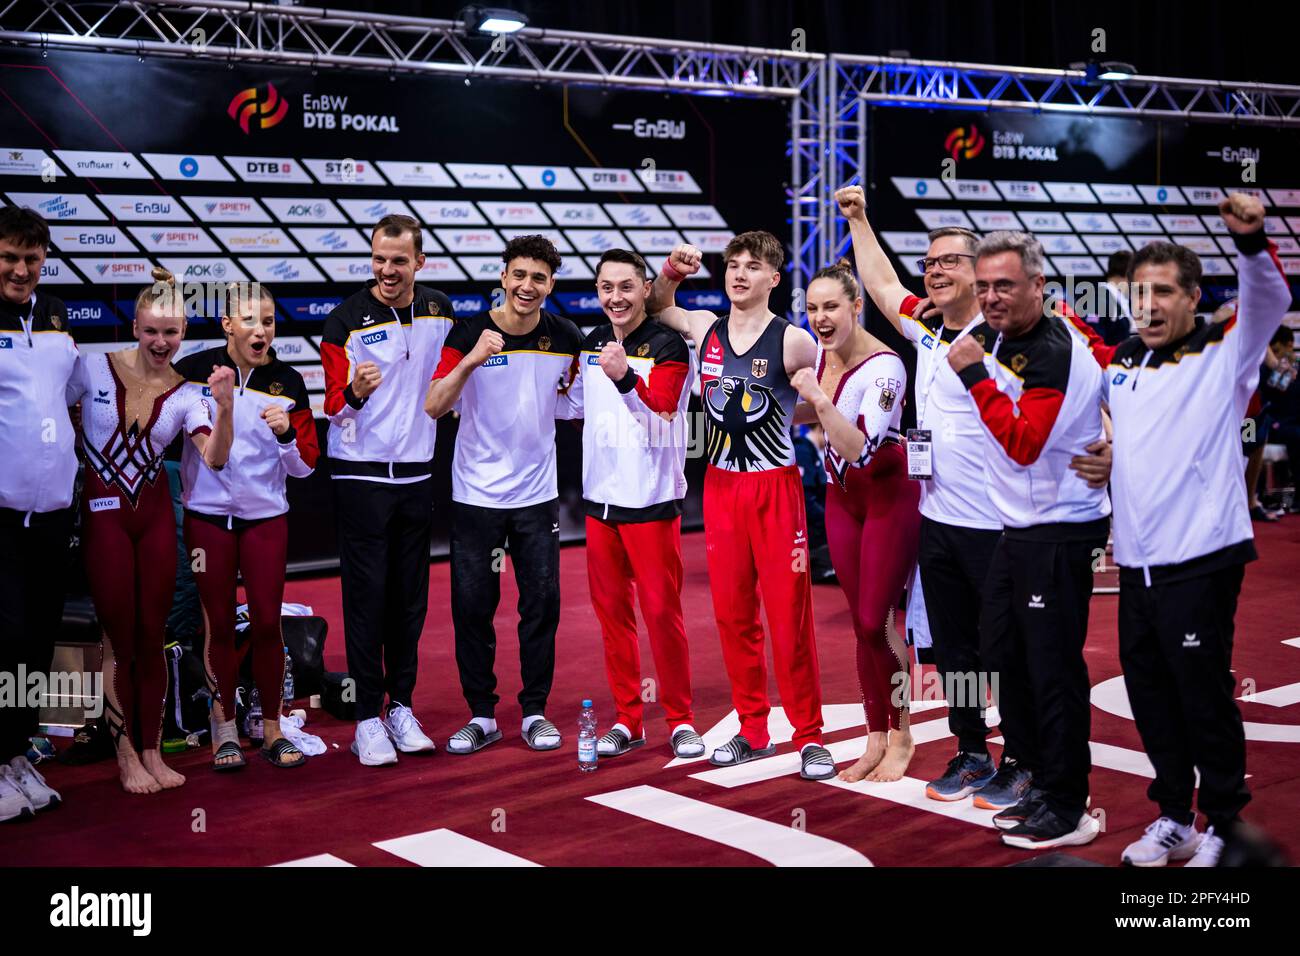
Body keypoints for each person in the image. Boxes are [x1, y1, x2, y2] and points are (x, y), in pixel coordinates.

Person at [1064, 195, 1293, 866]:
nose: (1151, 304)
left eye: (1165, 291)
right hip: (1136, 561)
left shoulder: (1229, 349)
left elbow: (1270, 298)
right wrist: (1110, 455)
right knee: (1151, 696)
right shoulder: (1123, 363)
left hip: (1203, 556)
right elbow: (1131, 431)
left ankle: (1223, 822)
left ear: (1194, 297)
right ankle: (1173, 818)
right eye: (1141, 292)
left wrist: (1250, 239)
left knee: (1202, 693)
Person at [834, 185, 1013, 804]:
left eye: (949, 262)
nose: (934, 270)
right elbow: (882, 286)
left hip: (998, 525)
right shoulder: (928, 329)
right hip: (937, 520)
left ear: (981, 273)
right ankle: (969, 750)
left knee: (1004, 648)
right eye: (929, 263)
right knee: (956, 651)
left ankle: (1019, 755)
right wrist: (859, 221)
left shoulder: (1007, 341)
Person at [649, 233, 835, 781]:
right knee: (733, 616)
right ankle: (753, 730)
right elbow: (659, 307)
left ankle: (809, 736)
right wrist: (672, 272)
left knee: (789, 618)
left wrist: (785, 415)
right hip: (722, 489)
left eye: (753, 267)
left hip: (775, 491)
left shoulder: (795, 341)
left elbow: (818, 406)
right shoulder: (705, 326)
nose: (739, 275)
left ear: (774, 279)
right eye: (733, 265)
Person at [946, 231, 1111, 850]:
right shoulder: (1005, 334)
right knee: (1005, 654)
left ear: (1039, 286)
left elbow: (1022, 442)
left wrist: (973, 381)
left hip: (1061, 530)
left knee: (1052, 667)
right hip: (1019, 528)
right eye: (983, 285)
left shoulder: (1052, 347)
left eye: (1005, 286)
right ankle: (1043, 782)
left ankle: (1069, 805)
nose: (990, 297)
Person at [72, 269, 235, 793]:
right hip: (105, 516)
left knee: (154, 633)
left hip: (157, 516)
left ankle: (149, 747)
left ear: (183, 331)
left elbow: (214, 457)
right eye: (151, 331)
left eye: (171, 333)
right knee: (118, 635)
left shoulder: (189, 394)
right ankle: (124, 753)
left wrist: (226, 407)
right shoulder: (92, 368)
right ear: (135, 326)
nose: (161, 343)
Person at [426, 235, 582, 755]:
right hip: (475, 497)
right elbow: (433, 404)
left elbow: (573, 399)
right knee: (473, 607)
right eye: (519, 275)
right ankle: (482, 715)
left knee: (542, 606)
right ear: (503, 276)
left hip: (537, 497)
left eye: (539, 278)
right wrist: (470, 360)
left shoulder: (564, 335)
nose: (527, 286)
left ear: (551, 285)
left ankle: (535, 711)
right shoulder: (468, 332)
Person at [557, 248, 705, 759]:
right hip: (600, 505)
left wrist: (624, 378)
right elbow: (574, 406)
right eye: (606, 288)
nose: (615, 297)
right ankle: (628, 719)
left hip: (651, 503)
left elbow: (661, 416)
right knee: (613, 618)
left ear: (645, 289)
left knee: (663, 615)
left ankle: (681, 720)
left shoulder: (670, 345)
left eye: (625, 287)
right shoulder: (592, 341)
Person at [321, 214, 454, 766]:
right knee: (366, 597)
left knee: (409, 600)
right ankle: (365, 718)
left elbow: (453, 377)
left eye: (400, 260)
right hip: (360, 476)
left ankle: (401, 706)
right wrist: (352, 391)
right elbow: (329, 406)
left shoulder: (440, 312)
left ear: (419, 263)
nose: (388, 270)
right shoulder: (344, 320)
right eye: (379, 259)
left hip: (417, 474)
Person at [176, 282, 319, 771]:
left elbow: (306, 468)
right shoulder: (193, 371)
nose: (262, 331)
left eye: (270, 321)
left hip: (266, 519)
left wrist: (284, 437)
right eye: (251, 320)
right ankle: (225, 727)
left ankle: (273, 727)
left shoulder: (290, 380)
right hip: (208, 519)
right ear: (227, 324)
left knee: (265, 622)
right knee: (216, 623)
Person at [791, 259, 921, 782]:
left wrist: (817, 398)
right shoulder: (819, 356)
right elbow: (808, 414)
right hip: (843, 499)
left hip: (888, 495)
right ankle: (873, 735)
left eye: (831, 307)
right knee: (859, 627)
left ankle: (904, 732)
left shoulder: (887, 367)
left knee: (877, 621)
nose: (820, 318)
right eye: (812, 308)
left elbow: (860, 447)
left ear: (856, 306)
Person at [0, 206, 78, 820]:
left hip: (52, 515)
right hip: (0, 517)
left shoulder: (55, 315)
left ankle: (18, 752)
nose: (21, 269)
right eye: (9, 258)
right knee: (4, 639)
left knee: (36, 642)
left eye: (31, 258)